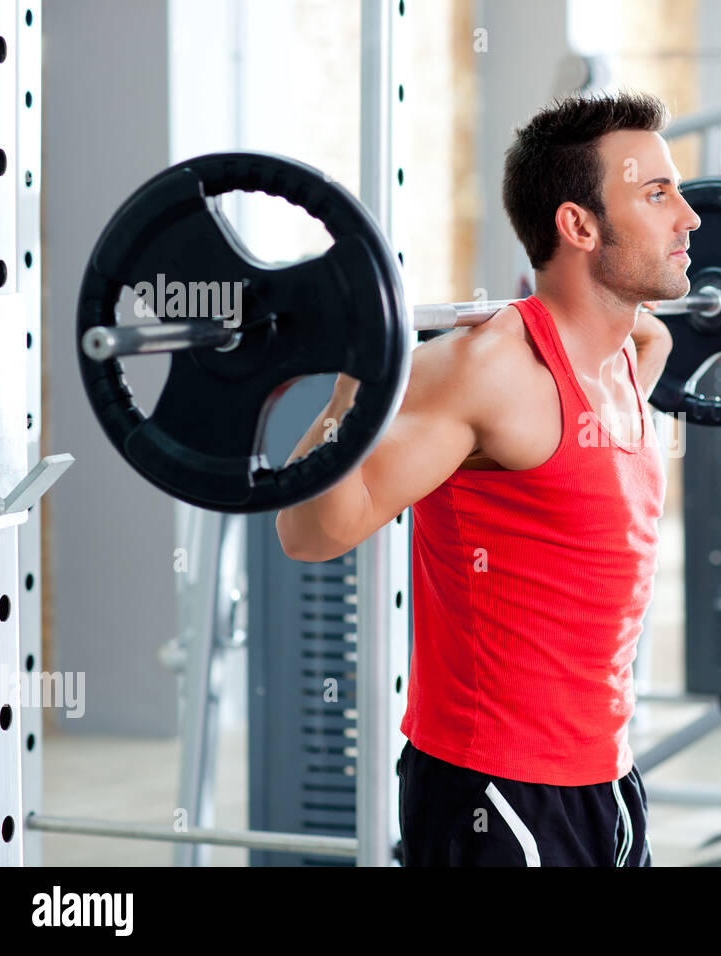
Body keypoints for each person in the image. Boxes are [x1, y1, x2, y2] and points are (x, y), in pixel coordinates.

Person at [275, 91, 696, 866]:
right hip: (494, 792)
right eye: (658, 194)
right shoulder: (485, 373)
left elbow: (648, 333)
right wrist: (352, 382)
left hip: (609, 778)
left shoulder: (635, 351)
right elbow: (308, 534)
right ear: (578, 226)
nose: (690, 218)